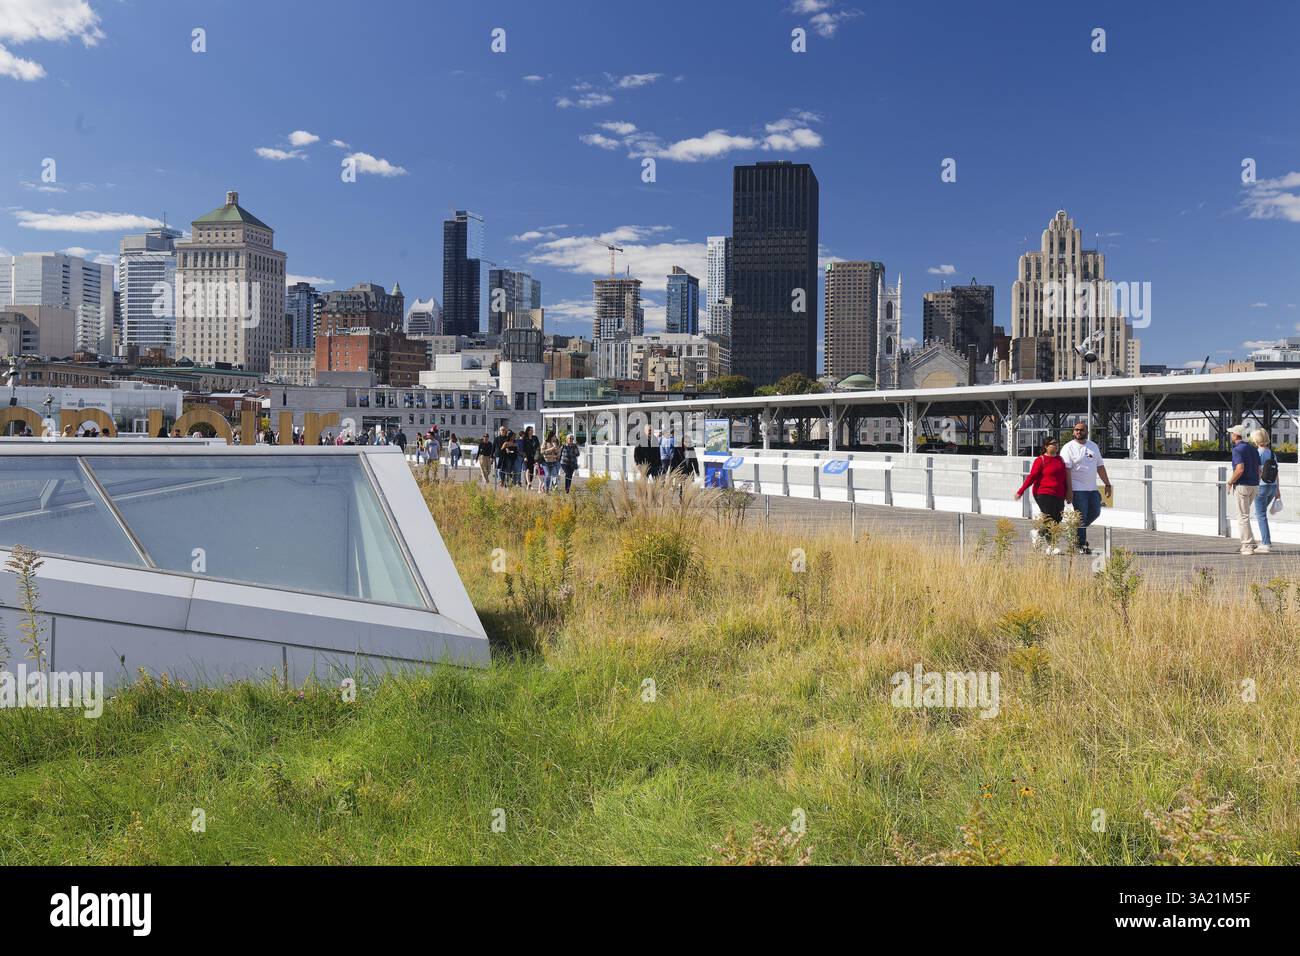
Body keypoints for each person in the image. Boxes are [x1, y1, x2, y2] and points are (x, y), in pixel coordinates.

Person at [1060, 422, 1112, 554]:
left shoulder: (1093, 446)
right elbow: (1066, 470)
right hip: (1077, 489)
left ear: (1087, 432)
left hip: (1092, 489)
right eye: (1076, 430)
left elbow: (1100, 466)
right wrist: (1069, 490)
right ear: (1073, 432)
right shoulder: (1068, 447)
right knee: (1081, 517)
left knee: (1096, 512)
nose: (1078, 432)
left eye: (1081, 430)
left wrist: (1107, 483)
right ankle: (1080, 545)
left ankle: (1075, 533)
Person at [1015, 437, 1070, 553]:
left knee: (1058, 519)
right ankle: (1051, 546)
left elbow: (1063, 478)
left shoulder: (1060, 459)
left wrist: (1067, 493)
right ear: (1046, 446)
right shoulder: (1041, 460)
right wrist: (1021, 491)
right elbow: (1031, 477)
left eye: (1057, 443)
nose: (1056, 446)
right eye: (1052, 444)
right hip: (1043, 493)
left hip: (1059, 494)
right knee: (1049, 518)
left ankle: (1038, 533)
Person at [1227, 422, 1261, 556]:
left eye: (1231, 433)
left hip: (1242, 486)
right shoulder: (1253, 448)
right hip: (1254, 485)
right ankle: (1251, 542)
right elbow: (1259, 469)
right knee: (1245, 516)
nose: (1231, 435)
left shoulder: (1237, 450)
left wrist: (1230, 482)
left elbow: (1239, 469)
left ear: (1236, 435)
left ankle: (1247, 546)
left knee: (1242, 517)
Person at [1253, 428, 1281, 554]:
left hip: (1262, 486)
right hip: (1272, 486)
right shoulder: (1272, 453)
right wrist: (1278, 491)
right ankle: (1265, 540)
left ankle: (1266, 543)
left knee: (1261, 515)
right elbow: (1276, 472)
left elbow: (1257, 471)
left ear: (1256, 440)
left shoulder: (1256, 453)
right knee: (1262, 514)